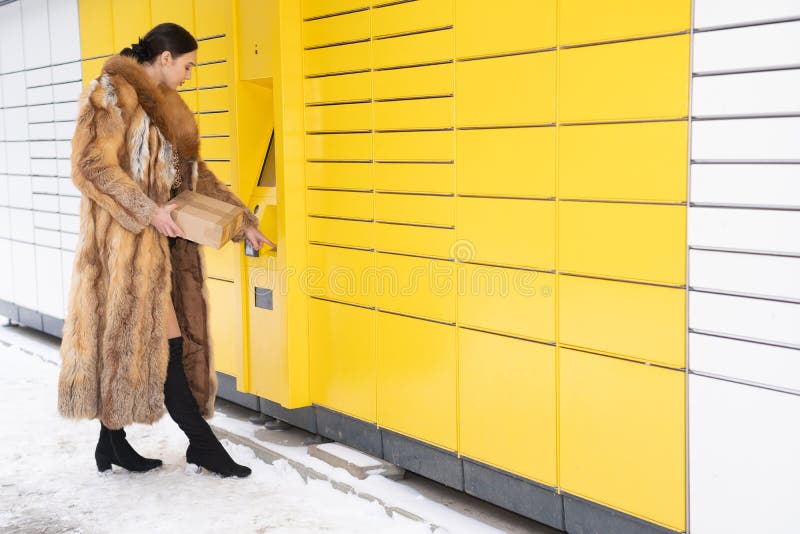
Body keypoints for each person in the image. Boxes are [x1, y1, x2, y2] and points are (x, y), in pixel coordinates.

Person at [57, 23, 275, 478]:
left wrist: (242, 223)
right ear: (164, 58)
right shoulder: (110, 94)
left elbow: (192, 178)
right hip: (124, 249)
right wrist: (146, 210)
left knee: (131, 346)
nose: (189, 75)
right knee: (165, 343)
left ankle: (112, 444)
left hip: (166, 247)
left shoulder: (171, 108)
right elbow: (90, 166)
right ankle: (204, 447)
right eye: (187, 66)